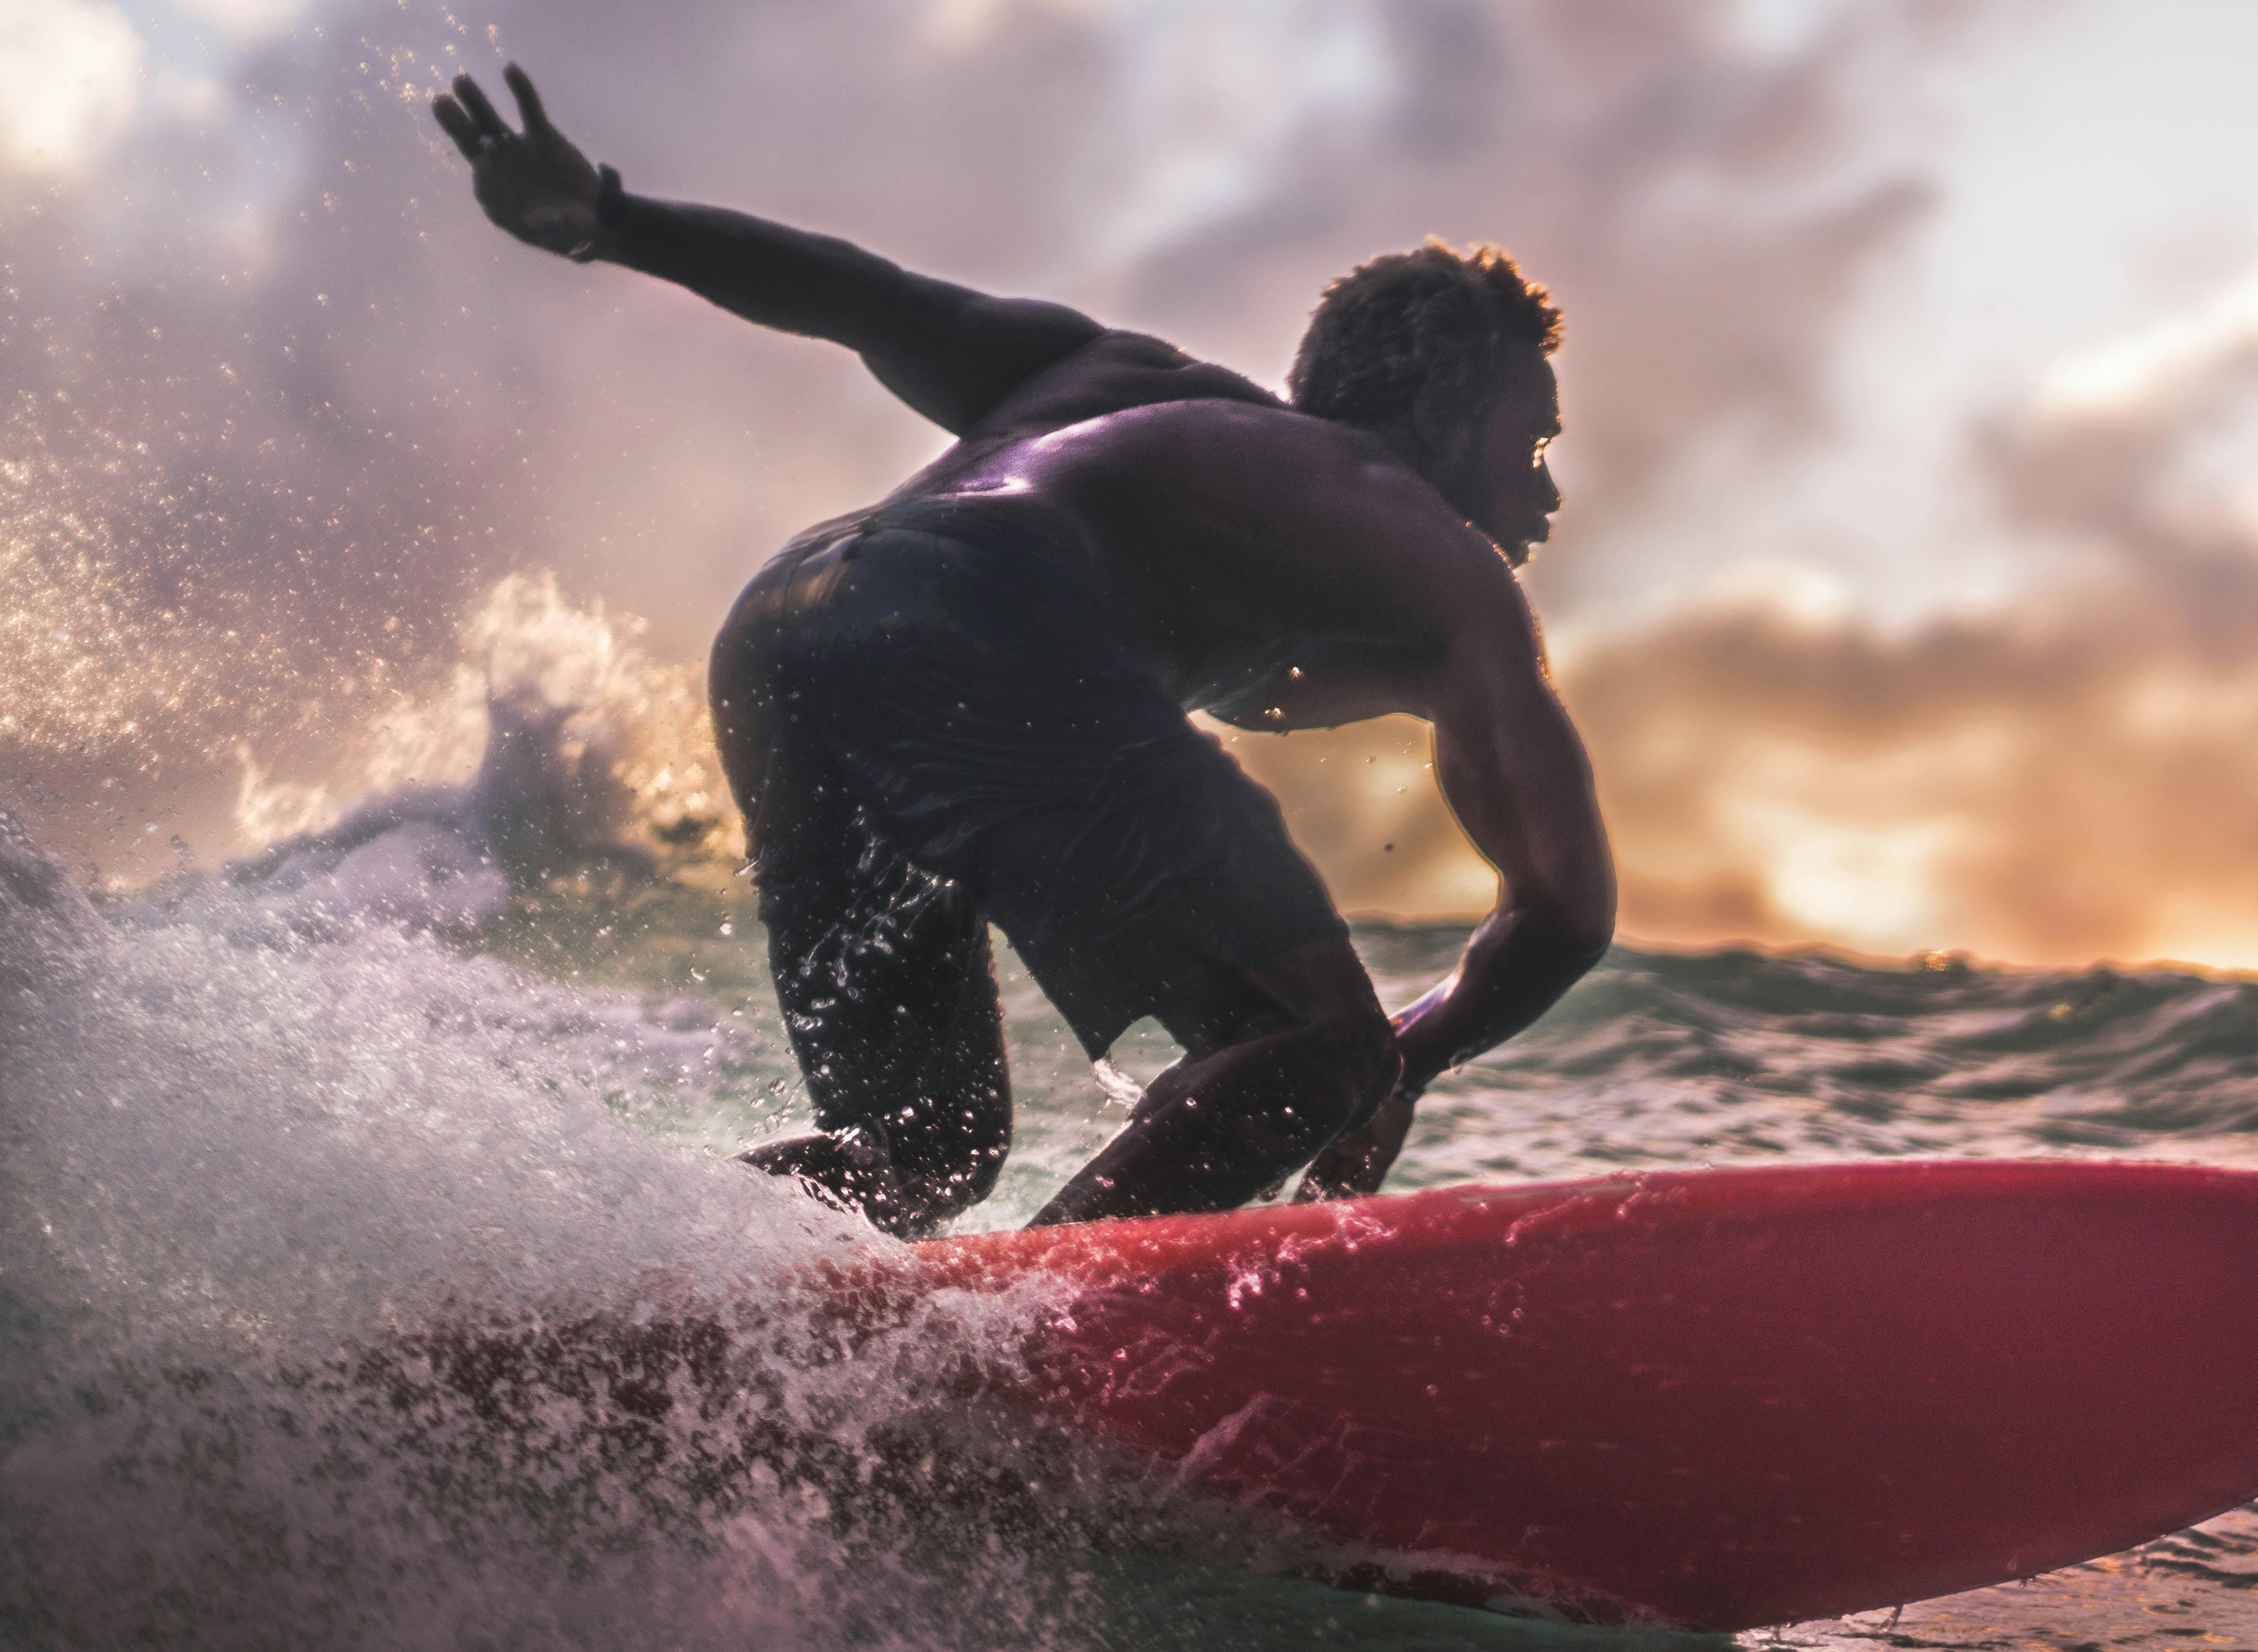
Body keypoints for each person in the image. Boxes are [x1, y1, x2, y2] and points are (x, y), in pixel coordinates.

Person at [429, 63, 1614, 1236]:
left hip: (786, 625)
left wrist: (607, 221)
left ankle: (597, 1289)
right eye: (1534, 441)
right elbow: (1565, 914)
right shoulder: (1429, 549)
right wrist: (1389, 1066)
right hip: (979, 594)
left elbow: (867, 300)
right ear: (1450, 418)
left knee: (920, 1145)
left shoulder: (1122, 382)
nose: (1548, 491)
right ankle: (1022, 1351)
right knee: (1312, 1048)